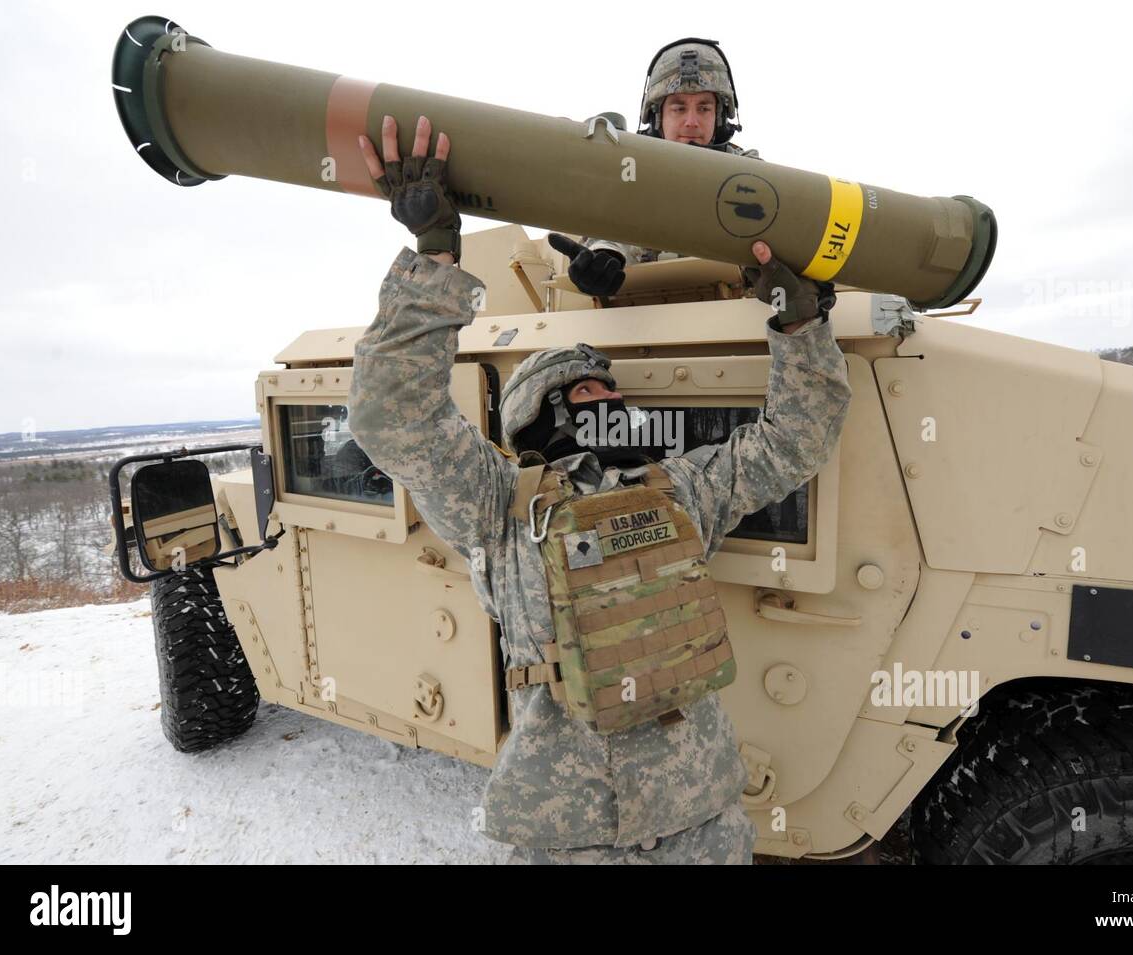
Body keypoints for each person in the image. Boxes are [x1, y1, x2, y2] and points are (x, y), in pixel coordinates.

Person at [351, 112, 850, 863]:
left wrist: (799, 323)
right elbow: (392, 415)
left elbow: (796, 438)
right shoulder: (494, 505)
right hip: (563, 830)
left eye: (609, 393)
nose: (609, 403)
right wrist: (435, 257)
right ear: (542, 416)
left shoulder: (679, 487)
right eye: (585, 394)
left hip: (697, 819)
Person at [560, 38, 761, 297]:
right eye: (678, 108)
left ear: (719, 117)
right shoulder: (632, 171)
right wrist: (603, 258)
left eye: (704, 108)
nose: (691, 122)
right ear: (658, 116)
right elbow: (618, 224)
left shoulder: (751, 175)